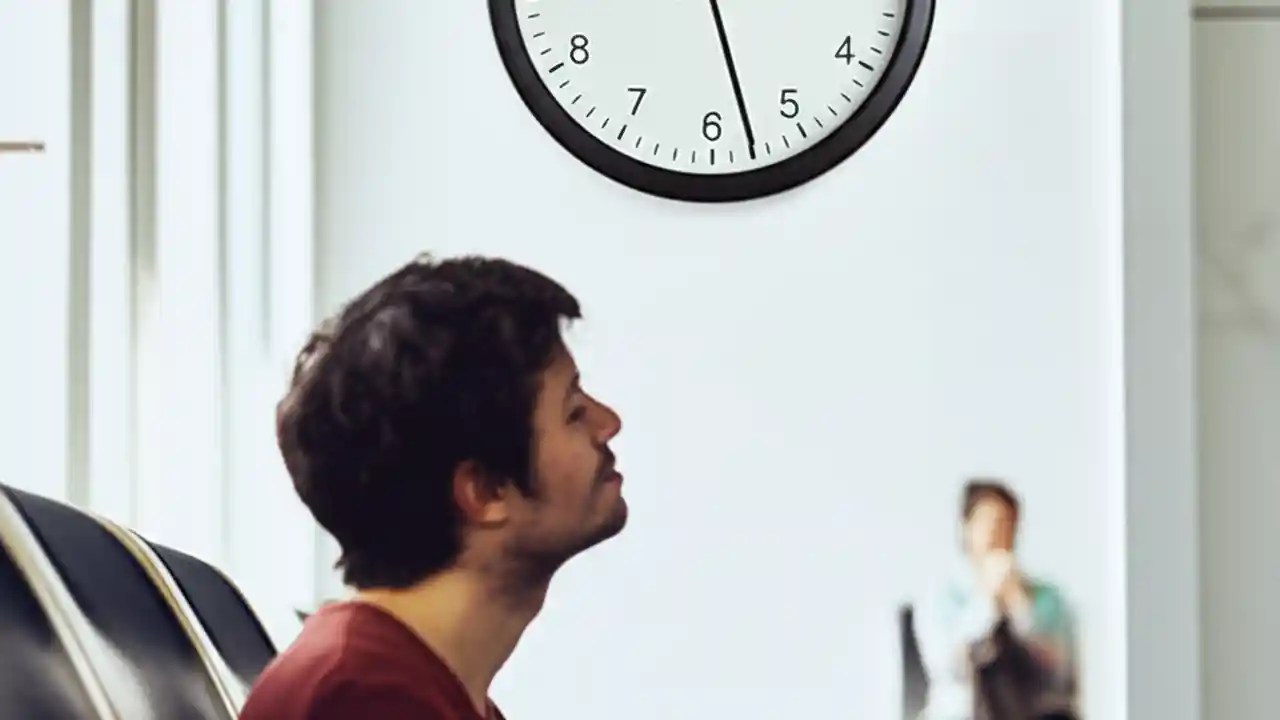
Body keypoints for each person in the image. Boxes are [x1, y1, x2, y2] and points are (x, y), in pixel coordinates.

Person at [238, 254, 627, 720]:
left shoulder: (412, 686)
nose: (608, 423)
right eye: (573, 412)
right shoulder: (364, 701)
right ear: (485, 492)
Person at [915, 480, 1078, 720]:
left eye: (1005, 524)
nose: (995, 534)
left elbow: (1058, 674)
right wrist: (986, 603)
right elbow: (947, 667)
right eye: (987, 524)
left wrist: (1019, 605)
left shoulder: (1047, 598)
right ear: (966, 529)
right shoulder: (942, 598)